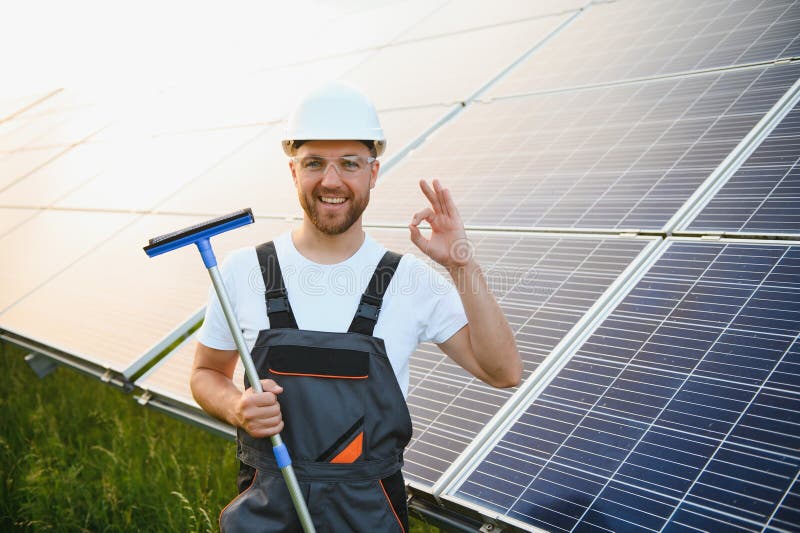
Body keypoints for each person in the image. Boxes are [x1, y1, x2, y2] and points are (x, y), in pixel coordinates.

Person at [191, 81, 522, 532]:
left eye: (349, 163)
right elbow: (206, 373)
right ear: (293, 172)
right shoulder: (241, 270)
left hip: (370, 517)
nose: (331, 181)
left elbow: (502, 372)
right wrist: (236, 407)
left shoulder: (410, 281)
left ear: (373, 172)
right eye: (314, 164)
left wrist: (461, 262)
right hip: (266, 512)